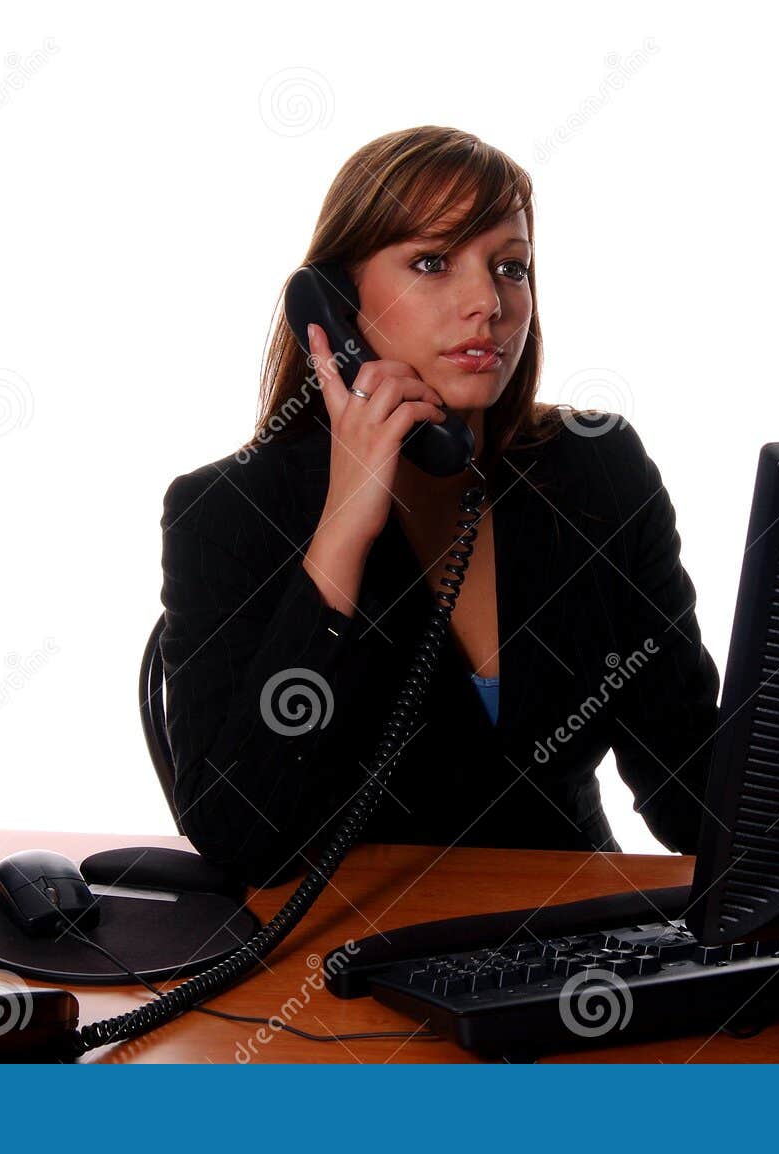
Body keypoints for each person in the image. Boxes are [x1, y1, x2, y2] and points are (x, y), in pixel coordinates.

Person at [158, 125, 721, 887]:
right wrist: (341, 537)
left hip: (568, 946)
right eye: (432, 262)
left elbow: (692, 788)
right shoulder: (227, 510)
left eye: (511, 267)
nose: (487, 303)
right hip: (341, 961)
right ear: (334, 303)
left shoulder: (595, 467)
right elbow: (239, 835)